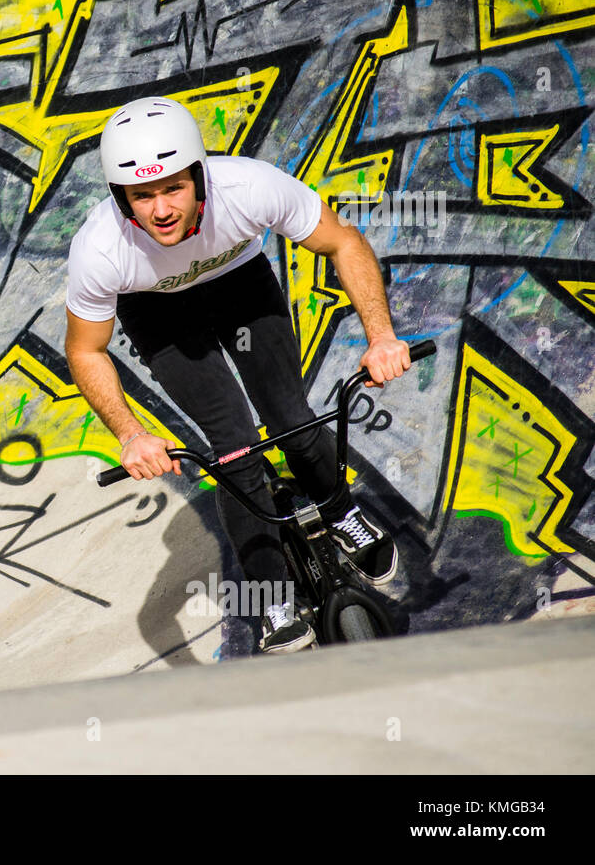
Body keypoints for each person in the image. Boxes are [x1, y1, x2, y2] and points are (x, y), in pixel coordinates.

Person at [63, 96, 412, 654]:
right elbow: (85, 351)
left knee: (293, 421)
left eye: (173, 187)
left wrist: (381, 336)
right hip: (158, 313)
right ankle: (272, 597)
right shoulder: (101, 248)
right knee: (235, 452)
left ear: (200, 177)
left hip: (239, 286)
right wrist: (130, 434)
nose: (160, 209)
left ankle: (341, 510)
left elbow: (343, 241)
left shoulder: (249, 187)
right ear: (120, 198)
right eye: (142, 195)